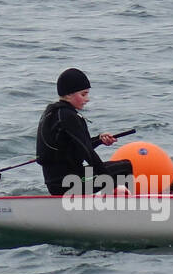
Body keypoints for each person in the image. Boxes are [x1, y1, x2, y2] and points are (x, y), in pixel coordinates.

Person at [35, 68, 133, 196]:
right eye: (83, 94)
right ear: (69, 94)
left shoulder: (54, 113)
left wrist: (99, 140)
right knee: (125, 168)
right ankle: (125, 207)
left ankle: (110, 201)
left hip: (56, 182)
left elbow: (75, 148)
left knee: (121, 166)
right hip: (70, 183)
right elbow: (88, 154)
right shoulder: (68, 116)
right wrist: (108, 180)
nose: (87, 99)